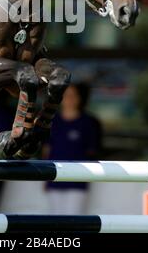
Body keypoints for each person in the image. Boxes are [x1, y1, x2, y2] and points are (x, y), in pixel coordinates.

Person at [43, 82, 102, 215]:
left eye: (73, 95)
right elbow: (47, 150)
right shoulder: (52, 122)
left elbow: (92, 152)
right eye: (66, 95)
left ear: (79, 98)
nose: (69, 99)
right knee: (55, 221)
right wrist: (46, 178)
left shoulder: (88, 123)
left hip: (77, 181)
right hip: (55, 179)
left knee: (73, 221)